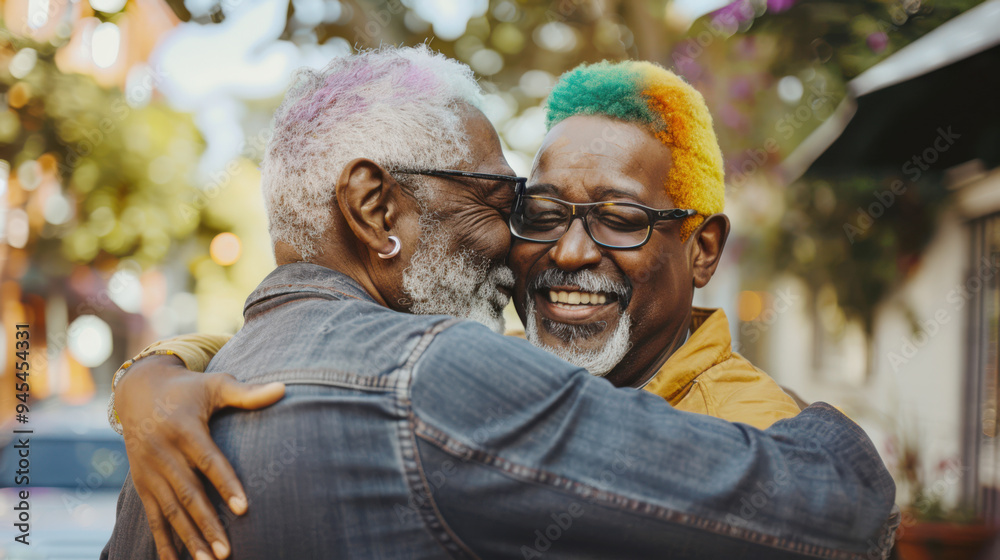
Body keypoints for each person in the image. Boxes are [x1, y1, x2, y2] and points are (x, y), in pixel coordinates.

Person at [104, 47, 896, 559]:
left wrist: (157, 367)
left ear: (704, 249)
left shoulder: (755, 429)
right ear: (376, 210)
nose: (567, 251)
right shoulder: (440, 382)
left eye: (619, 218)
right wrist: (159, 368)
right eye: (532, 210)